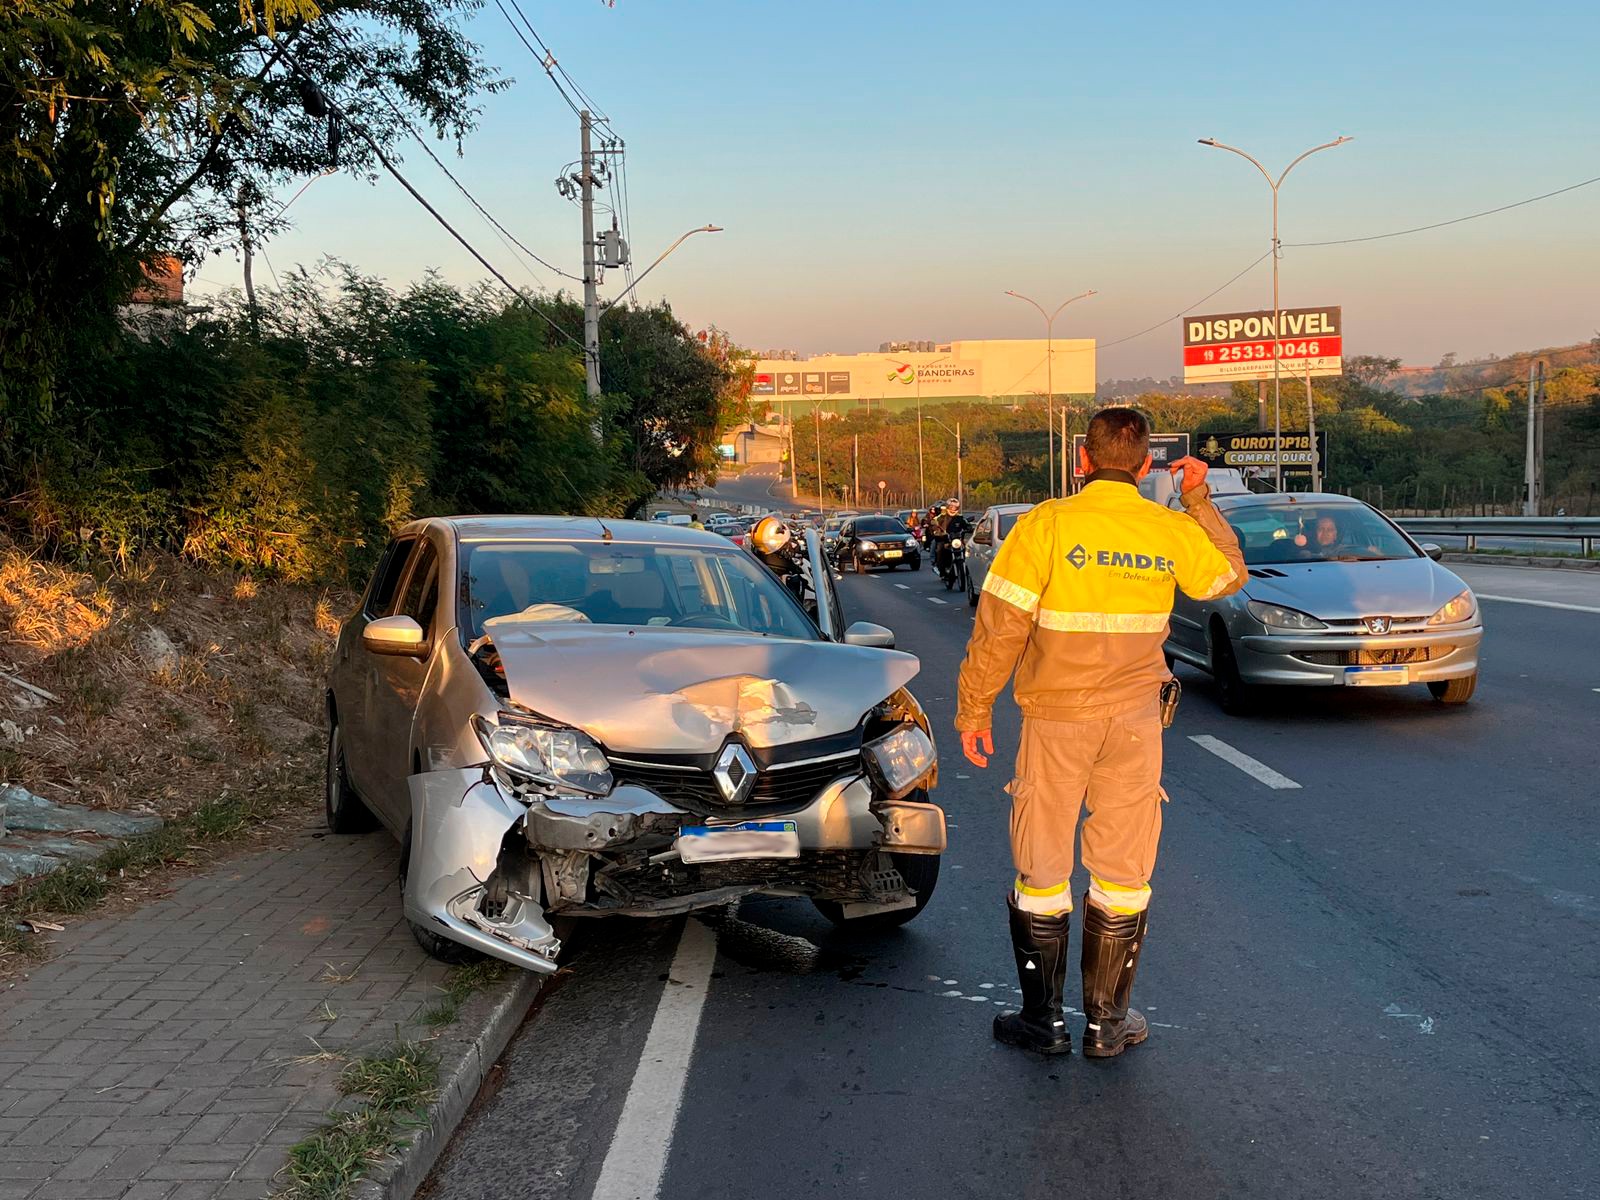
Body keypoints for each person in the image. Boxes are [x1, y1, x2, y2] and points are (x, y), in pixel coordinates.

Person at [955, 407, 1246, 1058]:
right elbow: (1227, 577)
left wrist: (975, 710)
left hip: (1057, 721)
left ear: (1082, 461)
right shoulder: (1166, 526)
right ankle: (1107, 1025)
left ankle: (1044, 1022)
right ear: (1146, 467)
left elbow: (1000, 627)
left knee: (1043, 864)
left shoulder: (1047, 525)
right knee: (1122, 870)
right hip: (1137, 723)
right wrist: (1199, 498)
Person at [929, 499, 972, 581]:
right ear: (948, 507)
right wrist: (936, 530)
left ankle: (967, 569)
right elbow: (934, 524)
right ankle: (941, 570)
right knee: (939, 549)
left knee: (968, 550)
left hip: (957, 541)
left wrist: (969, 528)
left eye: (955, 507)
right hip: (945, 540)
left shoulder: (960, 517)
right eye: (951, 507)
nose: (953, 509)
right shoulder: (941, 517)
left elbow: (967, 525)